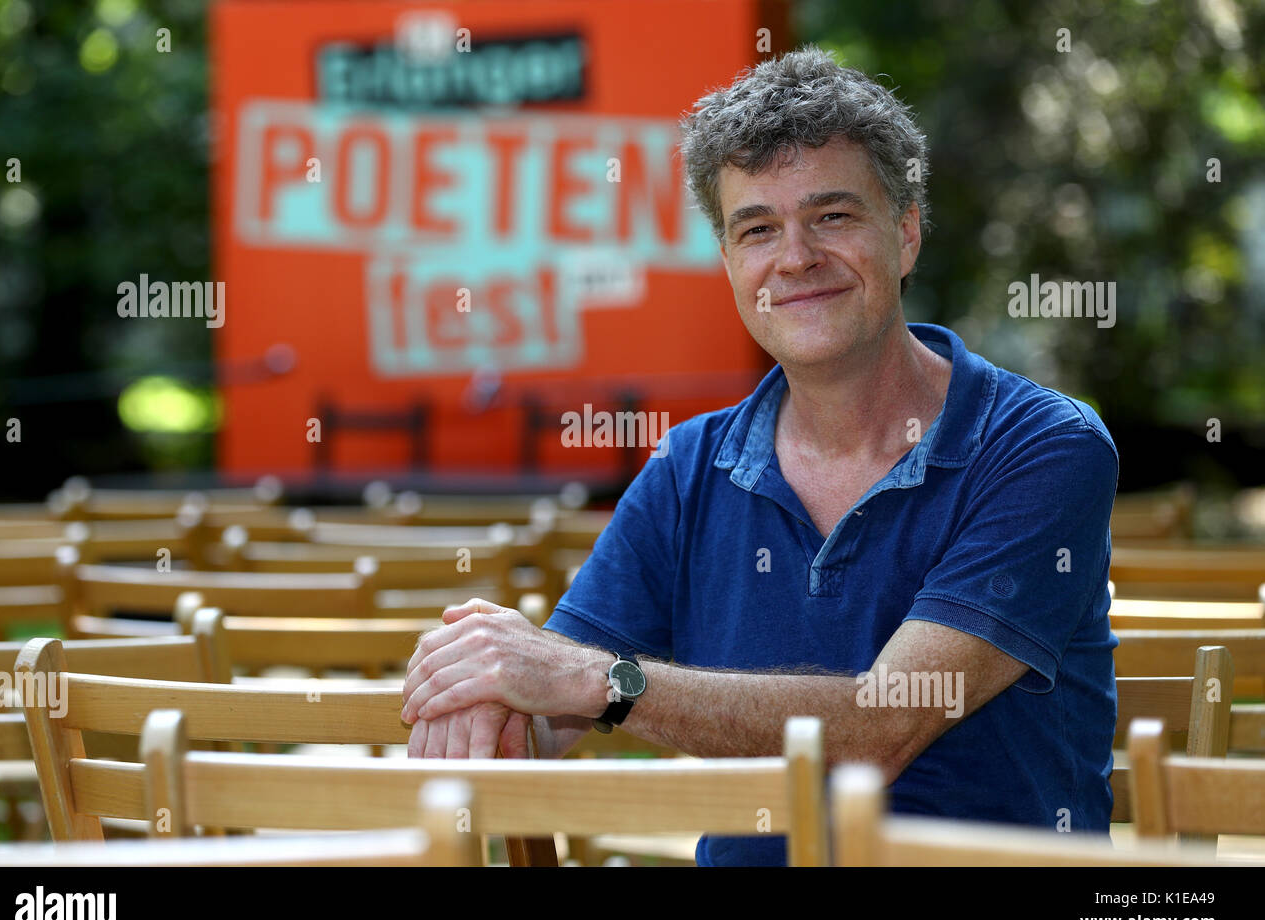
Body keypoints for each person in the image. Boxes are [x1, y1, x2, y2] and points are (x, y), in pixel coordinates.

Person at [401, 45, 1119, 867]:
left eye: (833, 216)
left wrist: (600, 682)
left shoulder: (1042, 447)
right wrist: (475, 680)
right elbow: (538, 719)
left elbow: (879, 730)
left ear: (908, 231)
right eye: (757, 229)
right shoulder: (686, 467)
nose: (795, 257)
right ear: (731, 264)